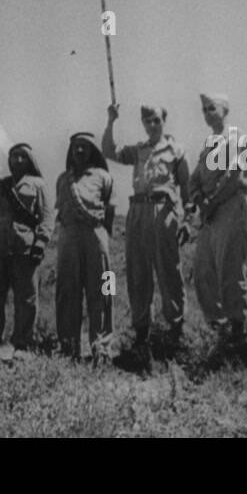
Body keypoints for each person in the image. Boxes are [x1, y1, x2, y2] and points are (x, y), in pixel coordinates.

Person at [103, 103, 191, 365]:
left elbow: (185, 188)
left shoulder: (176, 150)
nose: (151, 125)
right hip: (138, 211)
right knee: (138, 273)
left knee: (168, 273)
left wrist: (185, 220)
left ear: (164, 120)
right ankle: (142, 336)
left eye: (155, 120)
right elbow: (109, 151)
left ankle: (175, 334)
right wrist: (111, 121)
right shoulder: (137, 150)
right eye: (147, 121)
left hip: (164, 211)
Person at [0, 143, 53, 358]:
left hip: (25, 248)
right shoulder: (3, 185)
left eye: (22, 156)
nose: (17, 160)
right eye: (13, 156)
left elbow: (47, 217)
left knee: (26, 299)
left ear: (30, 160)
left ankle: (22, 344)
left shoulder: (38, 185)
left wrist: (41, 243)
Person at [188, 93, 247, 352]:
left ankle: (239, 333)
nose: (207, 113)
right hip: (209, 214)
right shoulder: (208, 145)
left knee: (230, 271)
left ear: (225, 110)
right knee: (203, 272)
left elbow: (235, 176)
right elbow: (194, 180)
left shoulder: (237, 139)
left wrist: (211, 201)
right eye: (203, 109)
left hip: (229, 208)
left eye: (211, 108)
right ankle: (218, 331)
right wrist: (199, 199)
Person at [54, 132, 115, 361]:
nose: (80, 151)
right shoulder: (62, 179)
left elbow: (110, 209)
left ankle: (101, 347)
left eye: (85, 147)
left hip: (96, 236)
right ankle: (68, 347)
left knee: (104, 290)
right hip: (69, 237)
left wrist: (101, 235)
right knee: (67, 292)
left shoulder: (103, 177)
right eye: (76, 147)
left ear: (93, 151)